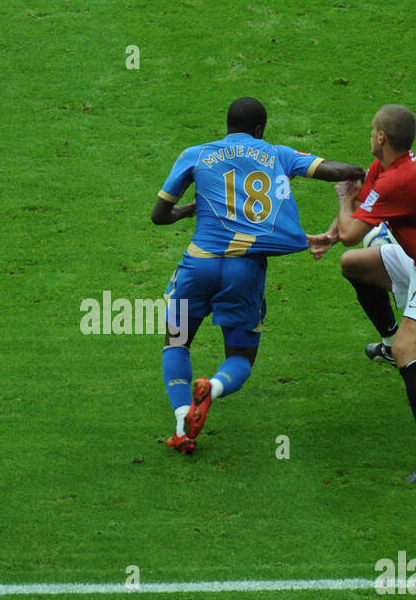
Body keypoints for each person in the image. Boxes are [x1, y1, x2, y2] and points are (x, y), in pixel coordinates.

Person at [153, 97, 364, 454]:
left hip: (199, 263)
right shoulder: (278, 153)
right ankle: (214, 387)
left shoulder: (196, 154)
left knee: (176, 342)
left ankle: (182, 423)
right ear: (260, 130)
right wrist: (361, 171)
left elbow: (160, 215)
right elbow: (332, 170)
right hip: (245, 269)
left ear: (227, 125)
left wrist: (192, 208)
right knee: (241, 356)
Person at [309, 105, 416, 482]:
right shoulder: (386, 169)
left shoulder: (399, 180)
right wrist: (330, 234)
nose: (369, 134)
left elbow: (353, 225)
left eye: (372, 130)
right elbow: (361, 215)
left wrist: (341, 197)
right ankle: (388, 343)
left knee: (409, 352)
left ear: (382, 138)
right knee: (353, 264)